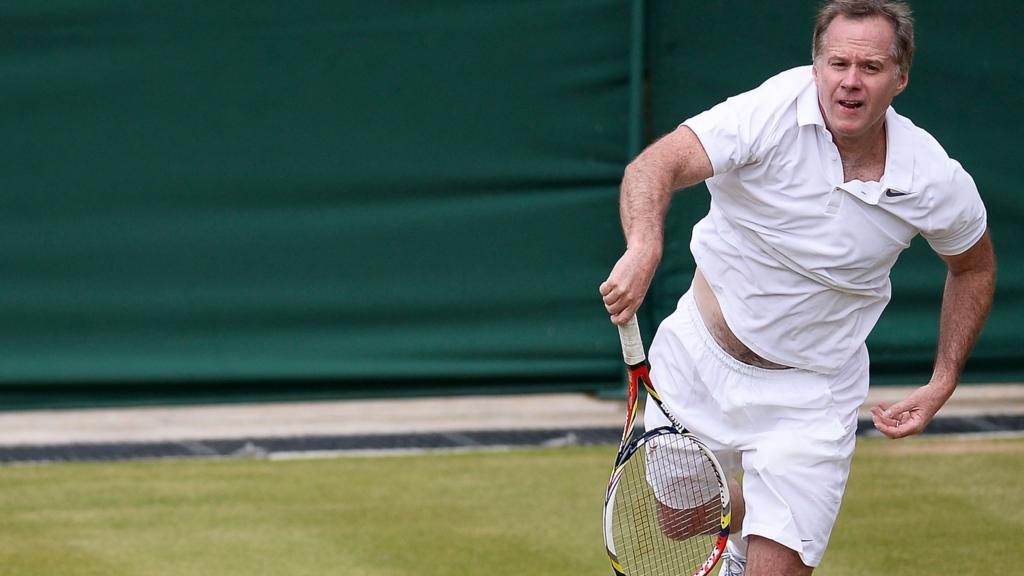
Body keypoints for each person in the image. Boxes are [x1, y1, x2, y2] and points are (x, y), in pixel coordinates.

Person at [598, 1, 996, 574]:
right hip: (696, 359)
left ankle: (760, 538)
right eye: (837, 64)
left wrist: (943, 379)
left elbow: (974, 267)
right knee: (677, 523)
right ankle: (747, 514)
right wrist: (643, 245)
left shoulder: (931, 177)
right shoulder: (770, 111)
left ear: (900, 78)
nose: (850, 82)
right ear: (816, 68)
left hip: (811, 396)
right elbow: (654, 166)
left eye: (871, 67)